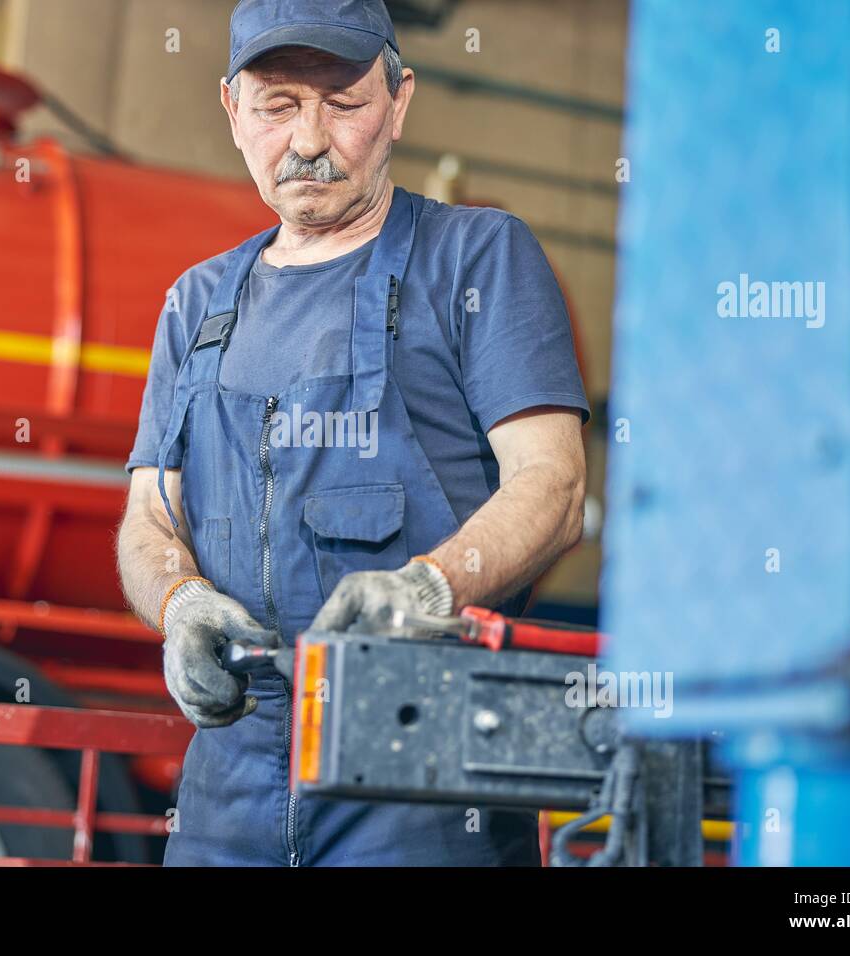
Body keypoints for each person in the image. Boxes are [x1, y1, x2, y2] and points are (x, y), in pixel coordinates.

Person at [117, 0, 589, 866]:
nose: (308, 139)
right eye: (278, 106)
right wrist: (179, 604)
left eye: (344, 104)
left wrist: (428, 590)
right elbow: (149, 516)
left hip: (425, 783)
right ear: (232, 111)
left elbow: (553, 487)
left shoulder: (475, 258)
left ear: (399, 102)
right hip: (228, 792)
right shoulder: (197, 304)